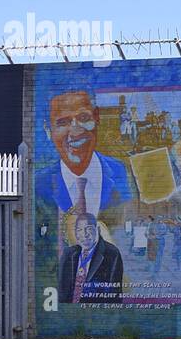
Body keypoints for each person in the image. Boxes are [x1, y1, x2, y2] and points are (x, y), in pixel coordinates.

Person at [35, 90, 133, 220]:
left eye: (83, 118)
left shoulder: (122, 173)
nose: (75, 132)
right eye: (63, 122)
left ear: (96, 117)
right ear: (48, 129)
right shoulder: (39, 185)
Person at [58, 213, 124, 304]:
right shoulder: (68, 254)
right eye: (79, 230)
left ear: (98, 230)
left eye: (88, 229)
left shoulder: (112, 254)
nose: (84, 234)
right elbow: (61, 290)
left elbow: (114, 296)